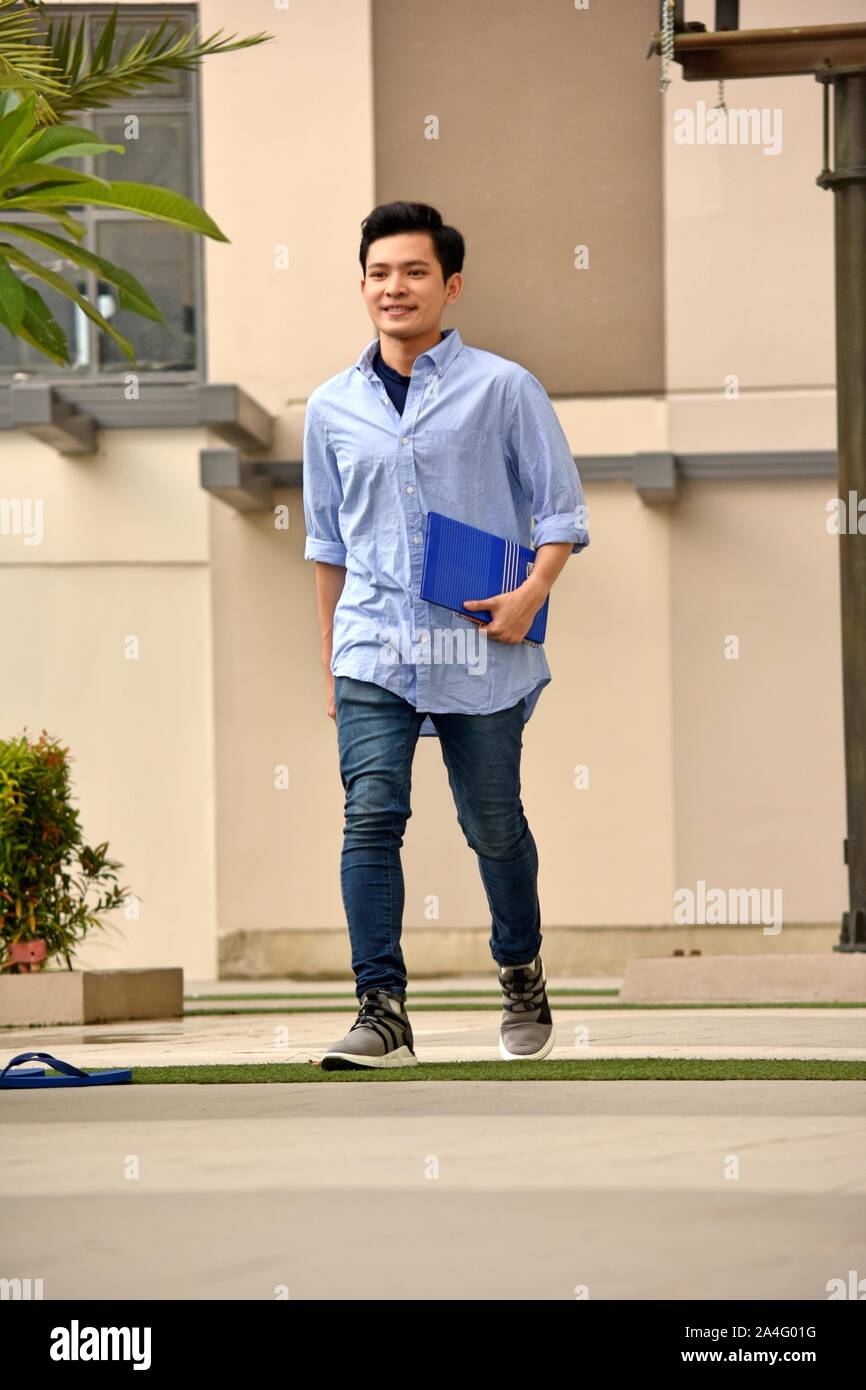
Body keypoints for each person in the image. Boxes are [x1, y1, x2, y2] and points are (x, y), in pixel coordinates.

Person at [302, 201, 589, 1070]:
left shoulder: (504, 387)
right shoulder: (329, 407)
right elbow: (327, 546)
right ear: (363, 287)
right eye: (381, 273)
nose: (397, 287)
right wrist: (330, 665)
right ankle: (381, 1009)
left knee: (493, 825)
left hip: (480, 646)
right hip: (373, 648)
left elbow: (562, 512)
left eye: (415, 272)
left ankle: (520, 967)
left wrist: (530, 593)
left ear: (450, 285)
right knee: (371, 814)